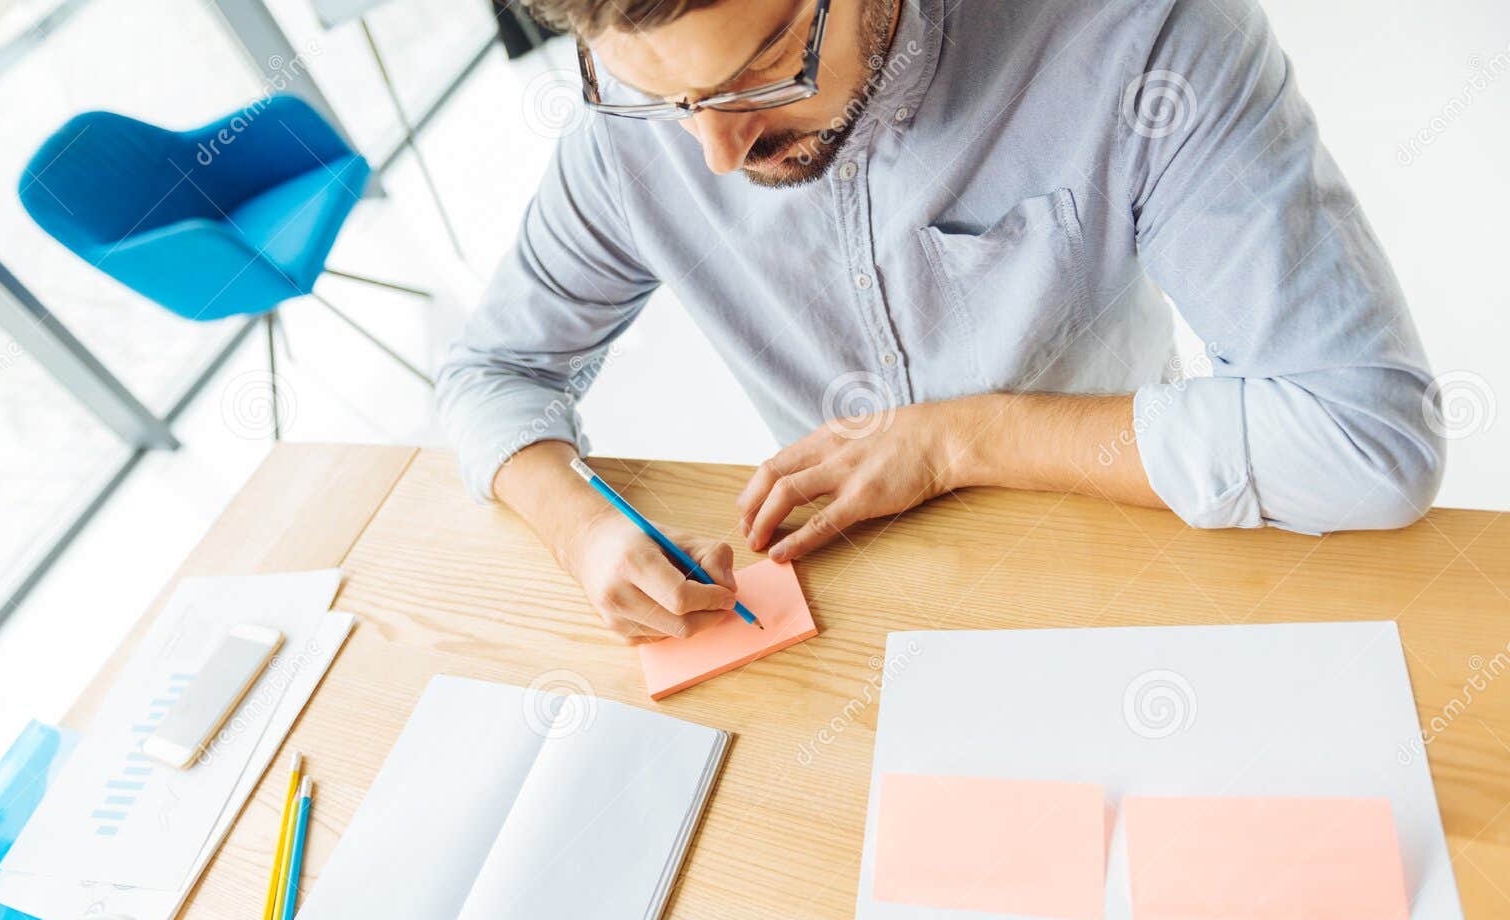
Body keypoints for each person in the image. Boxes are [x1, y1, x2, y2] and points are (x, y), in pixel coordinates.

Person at [438, 0, 1441, 642]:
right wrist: (582, 535)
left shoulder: (1146, 39)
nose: (714, 153)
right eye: (665, 98)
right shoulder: (636, 127)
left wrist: (960, 437)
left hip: (1132, 554)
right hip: (850, 615)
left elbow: (1365, 439)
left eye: (762, 72)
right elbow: (491, 373)